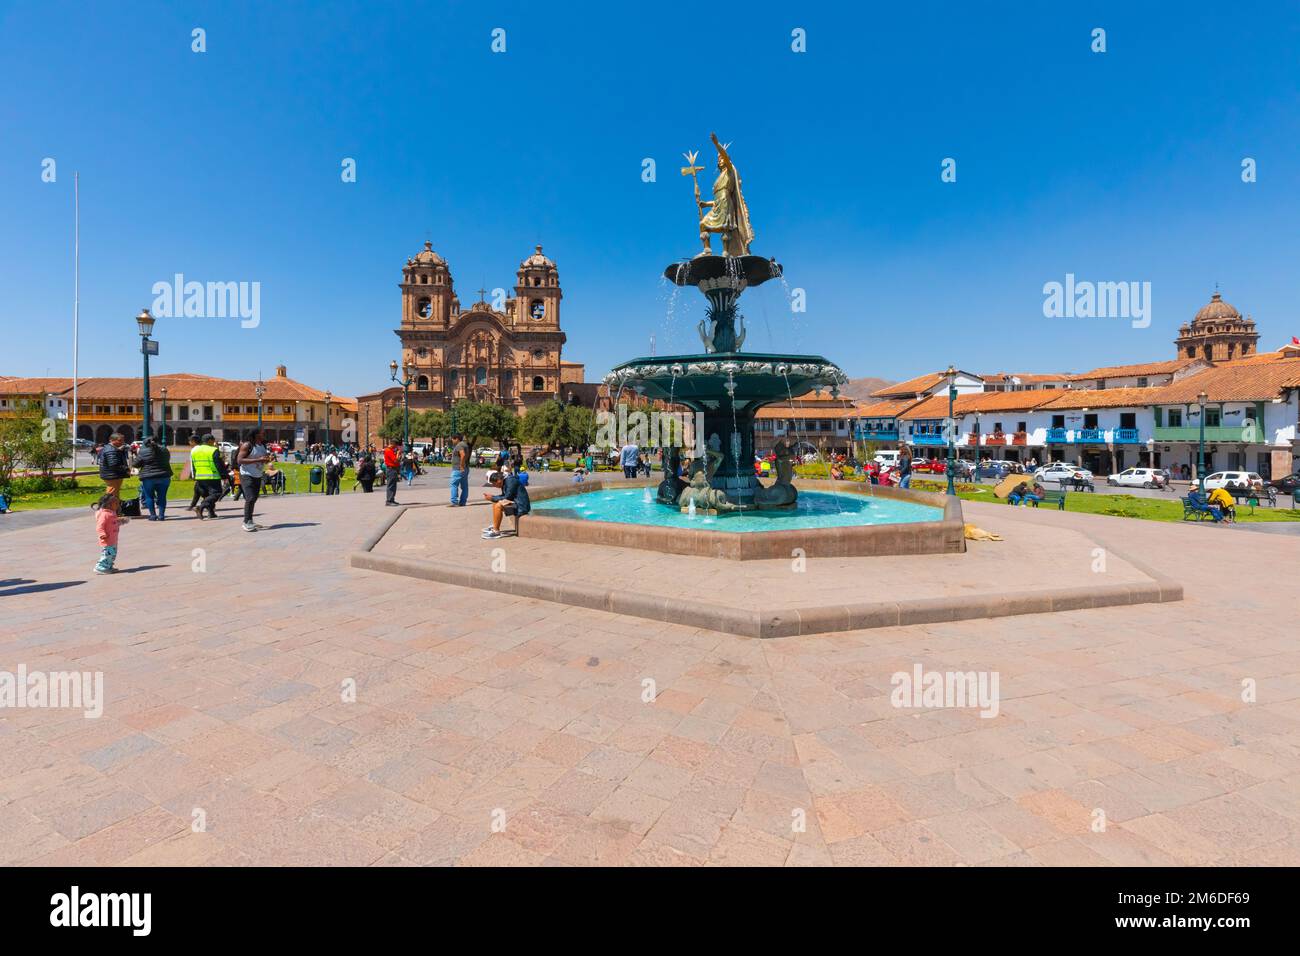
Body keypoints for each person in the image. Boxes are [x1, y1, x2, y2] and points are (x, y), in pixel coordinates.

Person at [482, 462, 530, 539]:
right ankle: (495, 526)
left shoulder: (510, 481)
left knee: (498, 505)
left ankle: (496, 532)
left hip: (521, 507)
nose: (494, 486)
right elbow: (507, 496)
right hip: (516, 503)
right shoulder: (506, 481)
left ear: (498, 481)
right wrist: (493, 498)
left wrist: (492, 498)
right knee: (496, 503)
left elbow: (507, 497)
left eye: (493, 484)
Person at [236, 428, 272, 531]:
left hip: (258, 474)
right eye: (262, 433)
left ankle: (250, 520)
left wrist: (266, 460)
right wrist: (258, 459)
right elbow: (240, 460)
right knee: (250, 498)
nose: (265, 434)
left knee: (254, 499)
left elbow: (262, 460)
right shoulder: (247, 445)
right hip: (246, 474)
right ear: (256, 434)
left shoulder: (262, 445)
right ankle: (246, 522)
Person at [189, 434, 224, 519]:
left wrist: (194, 476)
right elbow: (218, 464)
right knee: (217, 493)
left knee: (208, 495)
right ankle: (200, 507)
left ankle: (211, 513)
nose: (214, 442)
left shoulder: (194, 450)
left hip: (200, 476)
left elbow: (193, 464)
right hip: (212, 476)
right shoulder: (213, 450)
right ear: (209, 440)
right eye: (213, 440)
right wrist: (224, 475)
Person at [92, 490, 127, 574]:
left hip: (113, 538)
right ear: (108, 505)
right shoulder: (104, 514)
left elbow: (112, 522)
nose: (118, 506)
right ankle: (100, 567)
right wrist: (102, 534)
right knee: (108, 553)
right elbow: (100, 526)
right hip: (107, 538)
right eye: (116, 504)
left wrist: (120, 521)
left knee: (112, 554)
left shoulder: (111, 513)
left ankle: (108, 566)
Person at [97, 432, 131, 505]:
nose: (122, 442)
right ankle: (107, 510)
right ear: (111, 440)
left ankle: (115, 510)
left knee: (114, 494)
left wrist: (119, 450)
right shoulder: (111, 450)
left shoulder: (112, 448)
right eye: (119, 440)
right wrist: (126, 470)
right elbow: (114, 464)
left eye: (122, 440)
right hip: (112, 475)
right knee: (111, 495)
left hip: (113, 474)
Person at [449, 432, 470, 507]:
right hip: (465, 468)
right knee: (464, 486)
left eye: (453, 439)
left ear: (457, 439)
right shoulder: (464, 444)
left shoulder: (459, 445)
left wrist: (461, 466)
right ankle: (463, 502)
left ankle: (454, 502)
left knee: (453, 484)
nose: (452, 440)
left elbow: (463, 455)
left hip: (458, 469)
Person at [383, 439, 401, 506]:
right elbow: (395, 460)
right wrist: (398, 454)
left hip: (393, 469)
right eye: (396, 445)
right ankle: (389, 501)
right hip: (391, 469)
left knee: (393, 485)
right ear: (393, 444)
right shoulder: (388, 450)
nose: (396, 447)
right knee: (391, 485)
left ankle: (392, 499)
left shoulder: (391, 450)